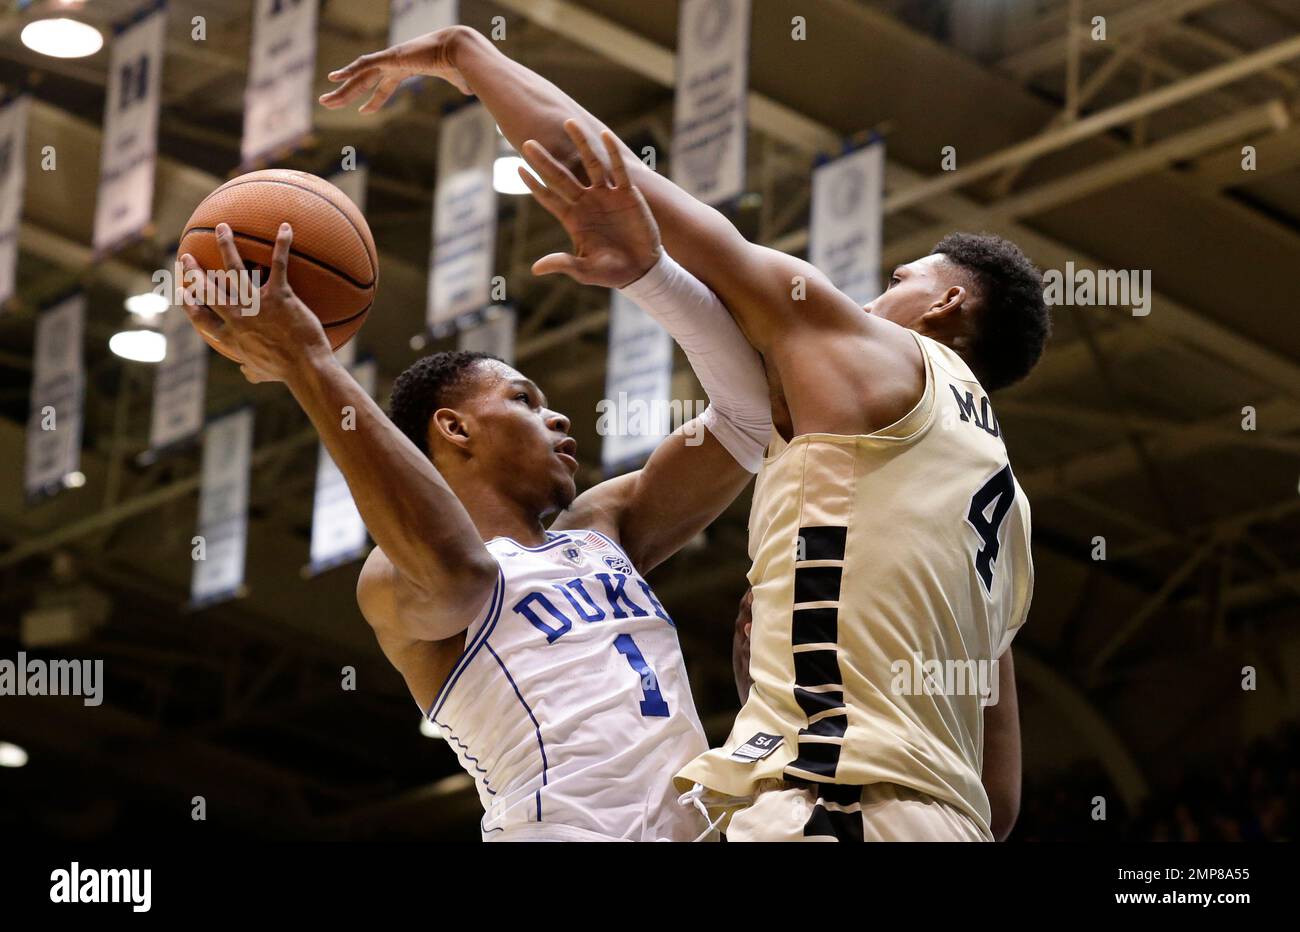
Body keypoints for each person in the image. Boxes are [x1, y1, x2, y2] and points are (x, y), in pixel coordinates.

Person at [322, 25, 1049, 841]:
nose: (872, 302)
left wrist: (468, 58)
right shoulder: (1005, 518)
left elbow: (621, 181)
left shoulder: (874, 363)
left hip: (831, 807)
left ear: (946, 309)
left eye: (897, 282)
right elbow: (1002, 796)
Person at [175, 130, 772, 841]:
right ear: (455, 430)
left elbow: (747, 415)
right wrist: (310, 363)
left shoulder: (604, 526)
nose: (556, 414)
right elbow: (461, 574)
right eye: (523, 399)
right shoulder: (391, 577)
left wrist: (651, 275)